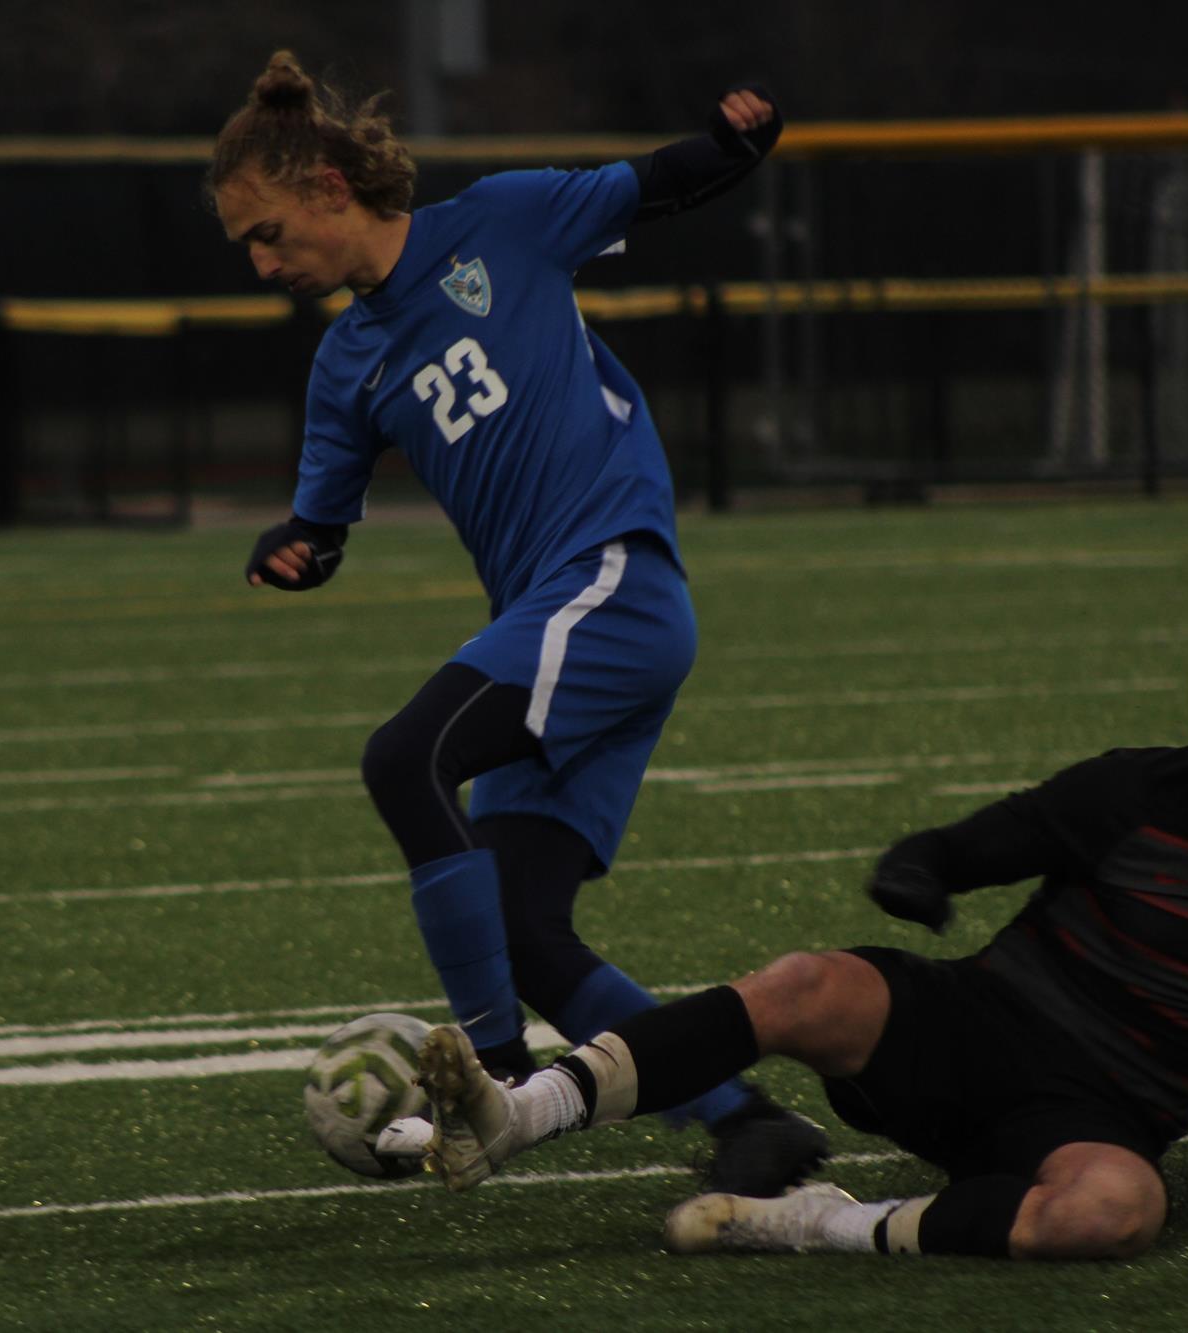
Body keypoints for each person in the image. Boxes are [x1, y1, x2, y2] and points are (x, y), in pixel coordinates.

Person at [208, 51, 825, 1196]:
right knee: (526, 927)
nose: (260, 263)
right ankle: (747, 1122)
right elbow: (322, 519)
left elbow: (652, 182)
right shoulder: (344, 359)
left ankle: (492, 1064)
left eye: (268, 232)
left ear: (330, 191)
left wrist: (735, 141)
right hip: (556, 618)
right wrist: (295, 551)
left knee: (405, 758)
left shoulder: (499, 221)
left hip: (610, 587)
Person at [416, 601, 1188, 1261]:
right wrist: (922, 865)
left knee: (1119, 1209)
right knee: (804, 981)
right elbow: (987, 838)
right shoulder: (1140, 789)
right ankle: (518, 1116)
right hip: (972, 1026)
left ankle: (821, 1225)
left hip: (1087, 1122)